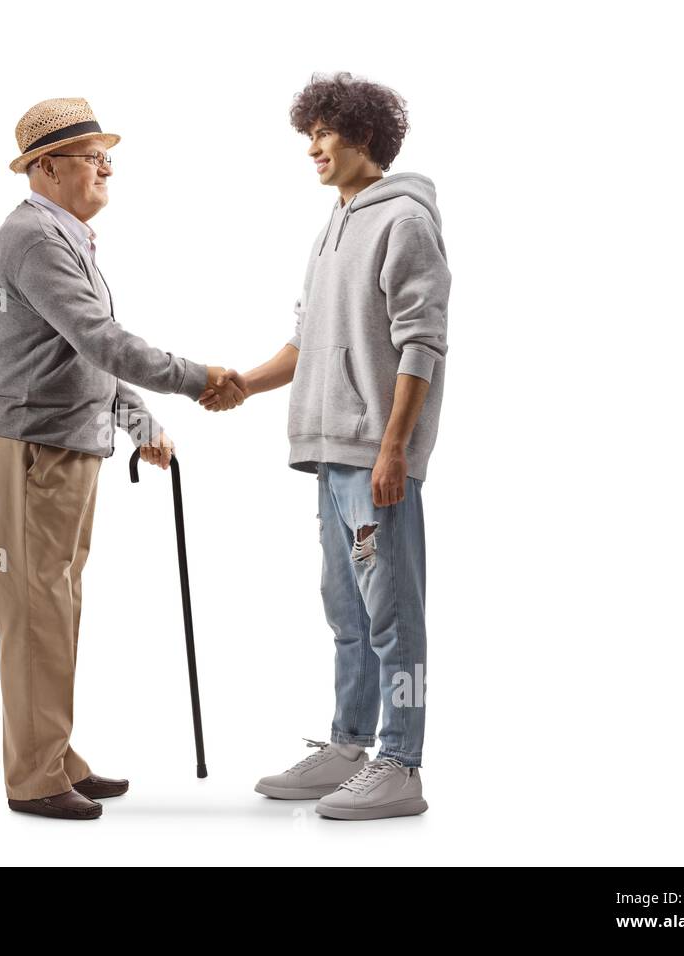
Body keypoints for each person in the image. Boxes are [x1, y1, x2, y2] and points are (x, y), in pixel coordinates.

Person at [0, 97, 243, 820]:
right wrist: (197, 378)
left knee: (55, 610)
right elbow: (101, 340)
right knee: (36, 615)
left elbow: (81, 353)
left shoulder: (65, 236)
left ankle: (54, 754)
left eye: (106, 155)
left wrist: (137, 417)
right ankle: (33, 776)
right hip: (30, 453)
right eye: (93, 156)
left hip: (60, 450)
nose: (106, 167)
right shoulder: (35, 237)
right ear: (47, 166)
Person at [204, 73, 451, 820]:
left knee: (393, 615)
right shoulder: (333, 224)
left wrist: (394, 449)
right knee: (345, 611)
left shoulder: (404, 219)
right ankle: (348, 746)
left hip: (376, 459)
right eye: (308, 132)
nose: (311, 146)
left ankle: (400, 763)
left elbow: (422, 346)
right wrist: (241, 384)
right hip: (327, 454)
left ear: (364, 135)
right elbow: (307, 341)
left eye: (323, 131)